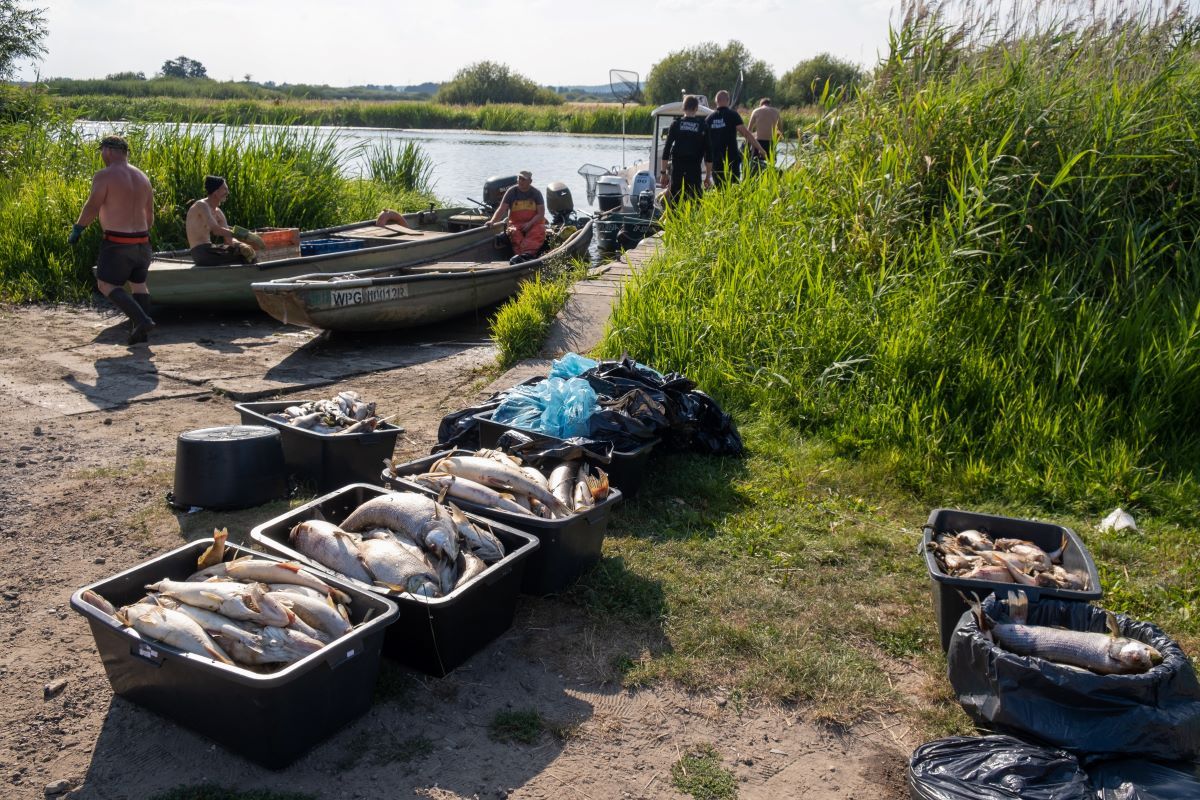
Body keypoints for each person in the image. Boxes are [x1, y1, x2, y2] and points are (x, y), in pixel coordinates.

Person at [68, 135, 158, 345]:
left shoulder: (105, 175)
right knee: (139, 284)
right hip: (143, 242)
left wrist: (78, 229)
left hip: (118, 241)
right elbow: (150, 215)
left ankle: (143, 321)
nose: (101, 156)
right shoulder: (142, 176)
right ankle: (140, 333)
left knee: (105, 284)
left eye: (101, 151)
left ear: (108, 150)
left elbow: (92, 206)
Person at [186, 176, 263, 266]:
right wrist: (246, 235)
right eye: (225, 189)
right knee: (243, 257)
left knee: (248, 252)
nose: (227, 192)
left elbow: (229, 240)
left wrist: (240, 245)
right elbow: (216, 230)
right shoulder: (201, 205)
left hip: (211, 250)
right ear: (216, 192)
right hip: (201, 253)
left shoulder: (218, 212)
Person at [705, 90, 767, 188]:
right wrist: (761, 149)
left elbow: (704, 142)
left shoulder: (709, 118)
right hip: (731, 158)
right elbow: (746, 134)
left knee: (719, 188)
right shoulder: (733, 115)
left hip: (716, 159)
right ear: (728, 100)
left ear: (716, 101)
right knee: (734, 187)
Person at [488, 170, 546, 264]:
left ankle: (528, 255)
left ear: (530, 181)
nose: (520, 181)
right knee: (514, 233)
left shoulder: (536, 193)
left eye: (523, 179)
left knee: (537, 232)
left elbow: (541, 214)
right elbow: (502, 209)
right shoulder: (511, 192)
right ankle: (519, 259)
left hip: (534, 223)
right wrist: (492, 221)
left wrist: (529, 224)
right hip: (516, 223)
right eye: (519, 179)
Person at [661, 95, 710, 204]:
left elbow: (667, 149)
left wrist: (663, 173)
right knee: (695, 201)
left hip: (677, 170)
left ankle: (675, 220)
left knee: (675, 201)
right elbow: (709, 154)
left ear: (683, 108)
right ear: (696, 108)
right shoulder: (703, 126)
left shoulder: (676, 124)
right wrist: (708, 176)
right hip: (694, 170)